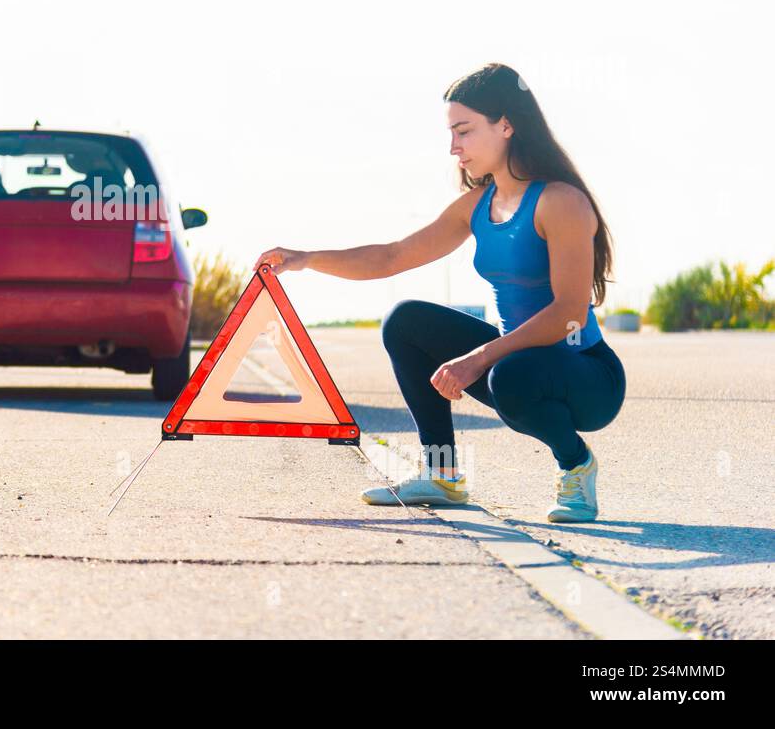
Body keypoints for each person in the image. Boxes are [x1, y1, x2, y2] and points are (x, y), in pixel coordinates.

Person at [256, 63, 626, 523]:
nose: (454, 148)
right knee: (406, 321)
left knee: (507, 375)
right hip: (511, 365)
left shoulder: (561, 202)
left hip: (586, 377)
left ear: (506, 125)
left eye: (465, 131)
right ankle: (442, 473)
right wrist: (306, 258)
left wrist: (478, 358)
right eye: (452, 133)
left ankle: (576, 465)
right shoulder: (477, 206)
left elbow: (568, 312)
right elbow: (391, 257)